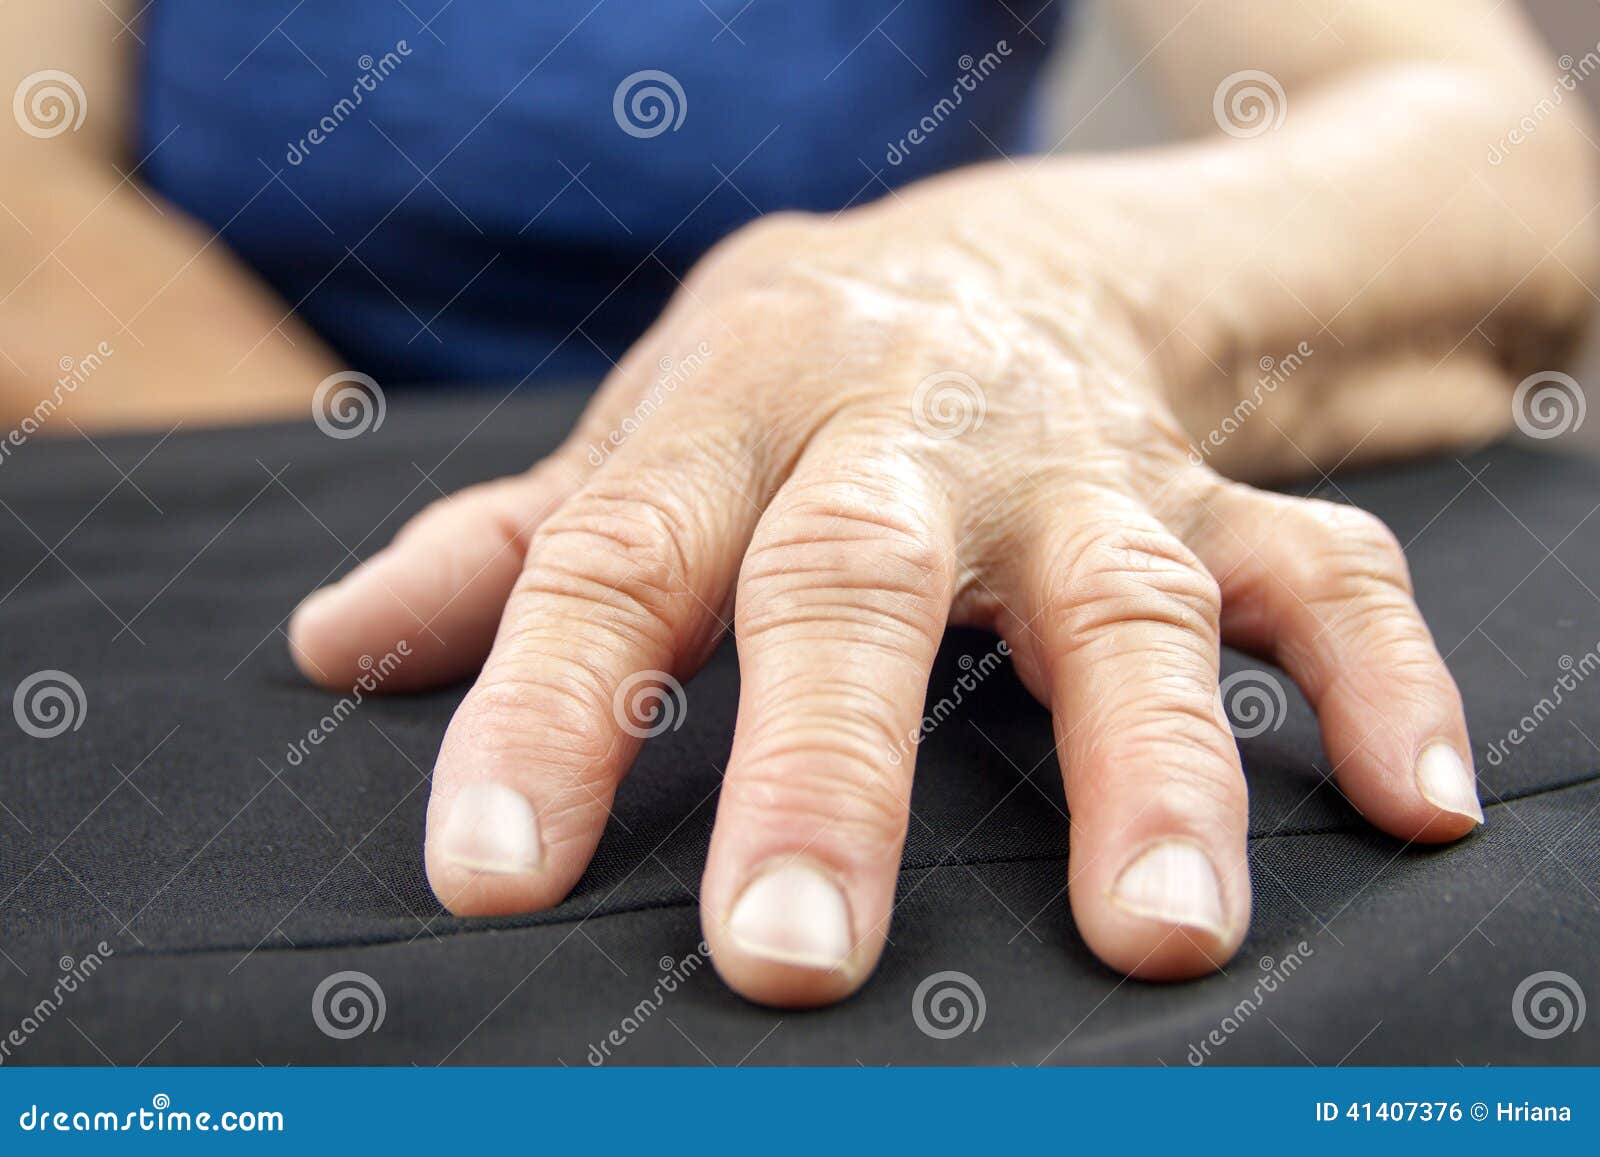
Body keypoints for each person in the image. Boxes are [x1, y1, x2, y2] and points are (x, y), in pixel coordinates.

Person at [2, 0, 1593, 1009]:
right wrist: (593, 510)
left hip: (932, 487)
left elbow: (1489, 152)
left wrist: (1012, 291)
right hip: (261, 482)